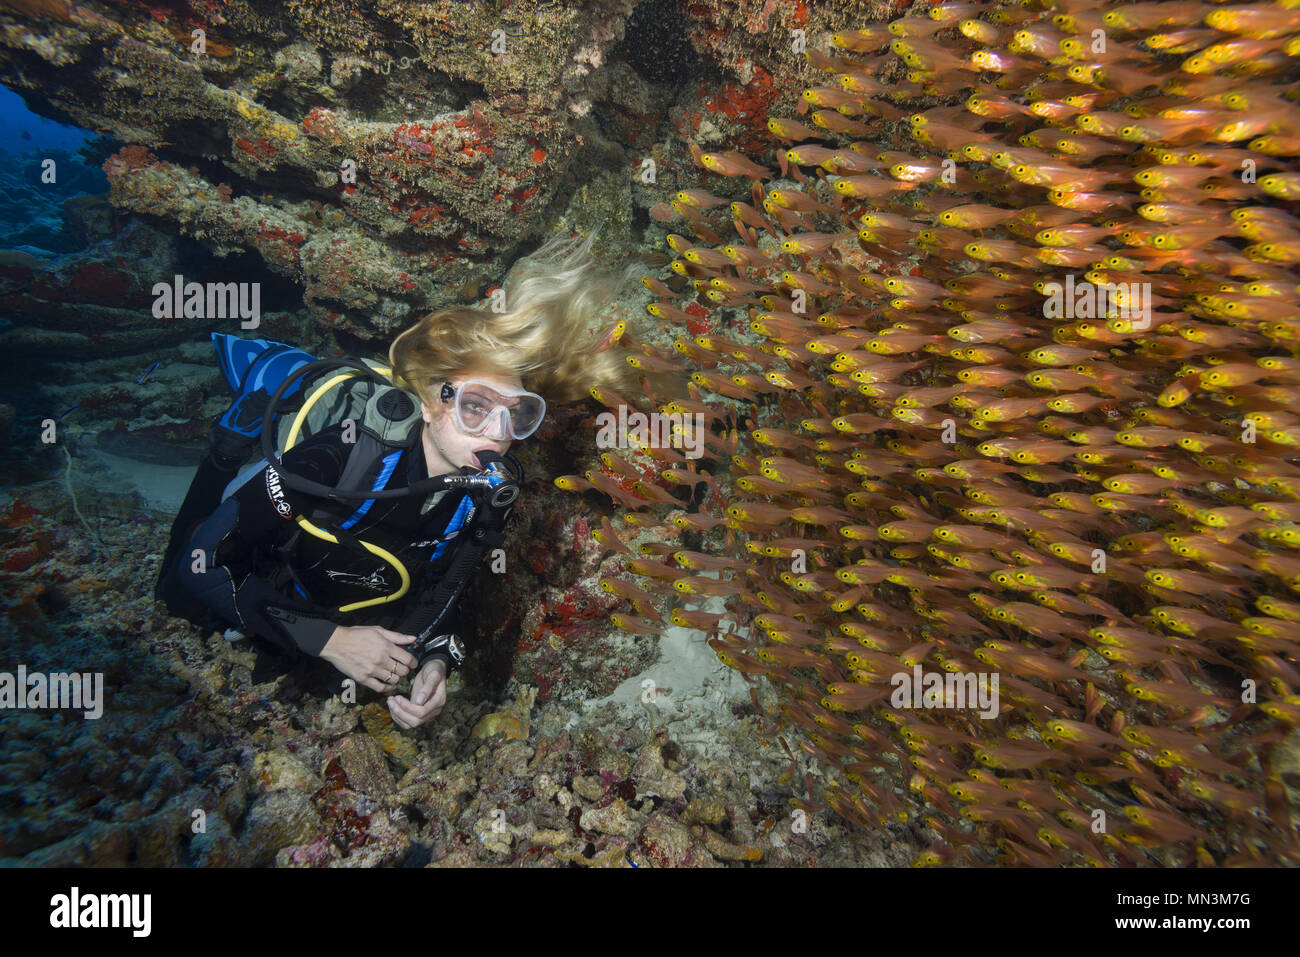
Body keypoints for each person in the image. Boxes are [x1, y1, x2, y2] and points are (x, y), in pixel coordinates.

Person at [154, 233, 638, 729]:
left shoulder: (489, 493)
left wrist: (436, 662)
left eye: (519, 415)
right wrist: (330, 641)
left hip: (334, 588)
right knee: (173, 599)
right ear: (431, 403)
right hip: (282, 564)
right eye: (476, 406)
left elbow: (445, 593)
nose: (499, 432)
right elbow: (204, 564)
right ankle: (229, 443)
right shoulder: (342, 454)